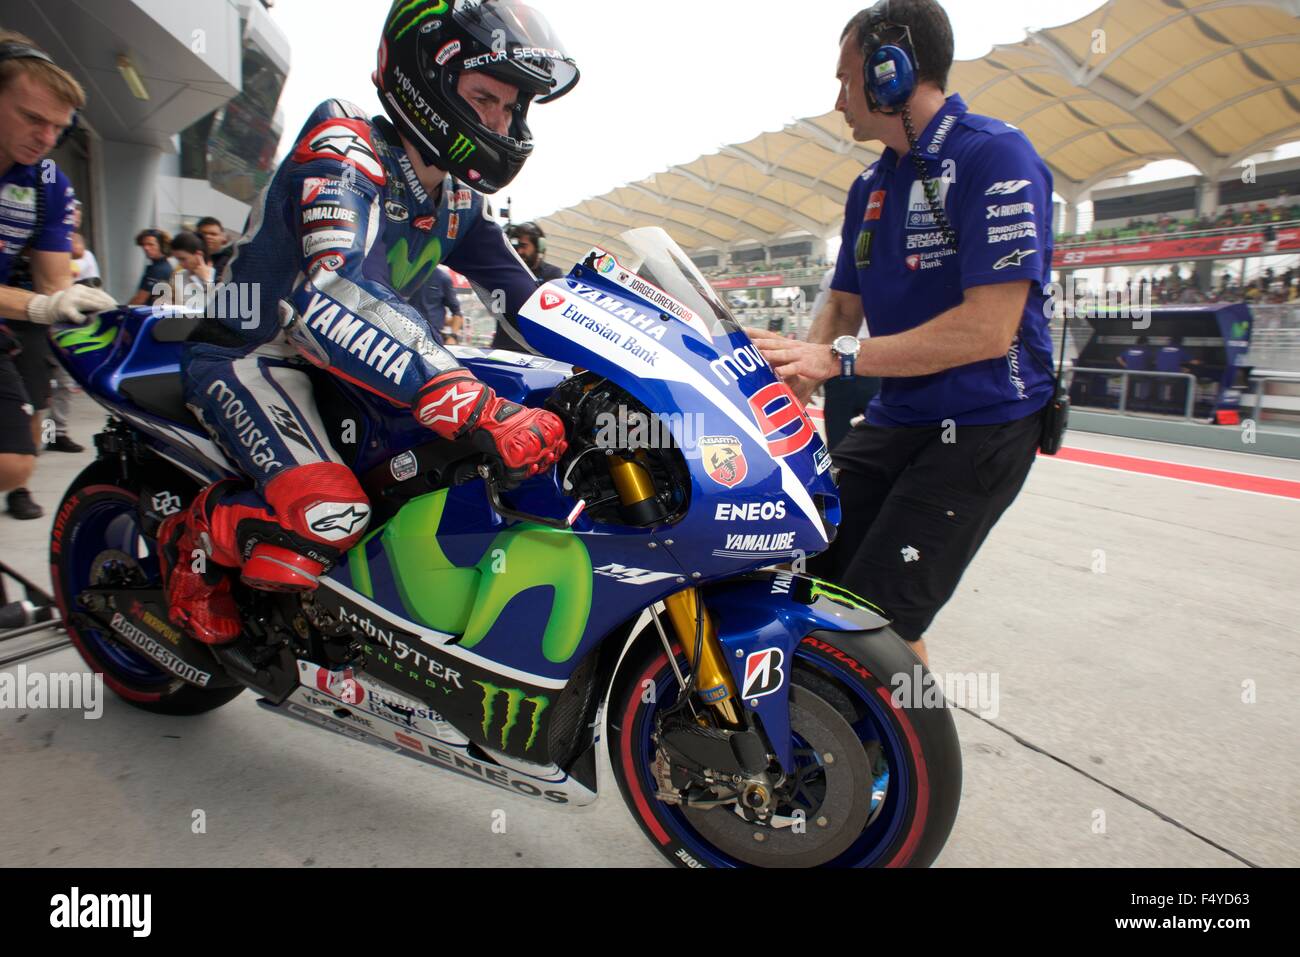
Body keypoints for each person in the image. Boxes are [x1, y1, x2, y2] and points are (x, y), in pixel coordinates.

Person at [161, 0, 580, 645]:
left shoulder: (459, 197)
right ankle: (197, 537)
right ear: (426, 79)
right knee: (331, 513)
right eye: (483, 97)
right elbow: (329, 289)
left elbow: (521, 299)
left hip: (352, 367)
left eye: (510, 107)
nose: (500, 120)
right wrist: (466, 396)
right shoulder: (344, 148)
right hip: (256, 352)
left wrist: (636, 357)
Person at [750, 0, 1056, 668]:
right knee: (798, 565)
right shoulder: (872, 184)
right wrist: (793, 371)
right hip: (896, 414)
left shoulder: (996, 156)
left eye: (846, 78)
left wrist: (838, 356)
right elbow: (840, 305)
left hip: (982, 424)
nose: (837, 100)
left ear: (891, 72)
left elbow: (988, 329)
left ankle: (903, 764)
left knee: (869, 622)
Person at [0, 33, 115, 513]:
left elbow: (52, 285)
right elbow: (41, 299)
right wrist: (42, 304)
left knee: (14, 463)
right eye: (32, 118)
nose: (46, 138)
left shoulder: (49, 182)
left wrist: (84, 304)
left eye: (57, 127)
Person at [494, 220, 563, 348]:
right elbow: (497, 307)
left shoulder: (553, 274)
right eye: (516, 246)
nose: (519, 251)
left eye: (524, 246)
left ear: (539, 247)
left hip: (534, 351)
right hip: (504, 347)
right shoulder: (504, 272)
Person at [156, 229, 213, 306]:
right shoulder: (179, 275)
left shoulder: (216, 274)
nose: (181, 264)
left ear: (199, 254)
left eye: (183, 259)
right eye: (178, 259)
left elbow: (218, 307)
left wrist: (207, 280)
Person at [126, 228, 172, 306]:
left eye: (151, 244)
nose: (146, 248)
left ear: (162, 246)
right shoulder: (163, 266)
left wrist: (123, 311)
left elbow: (140, 299)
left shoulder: (158, 270)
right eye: (144, 245)